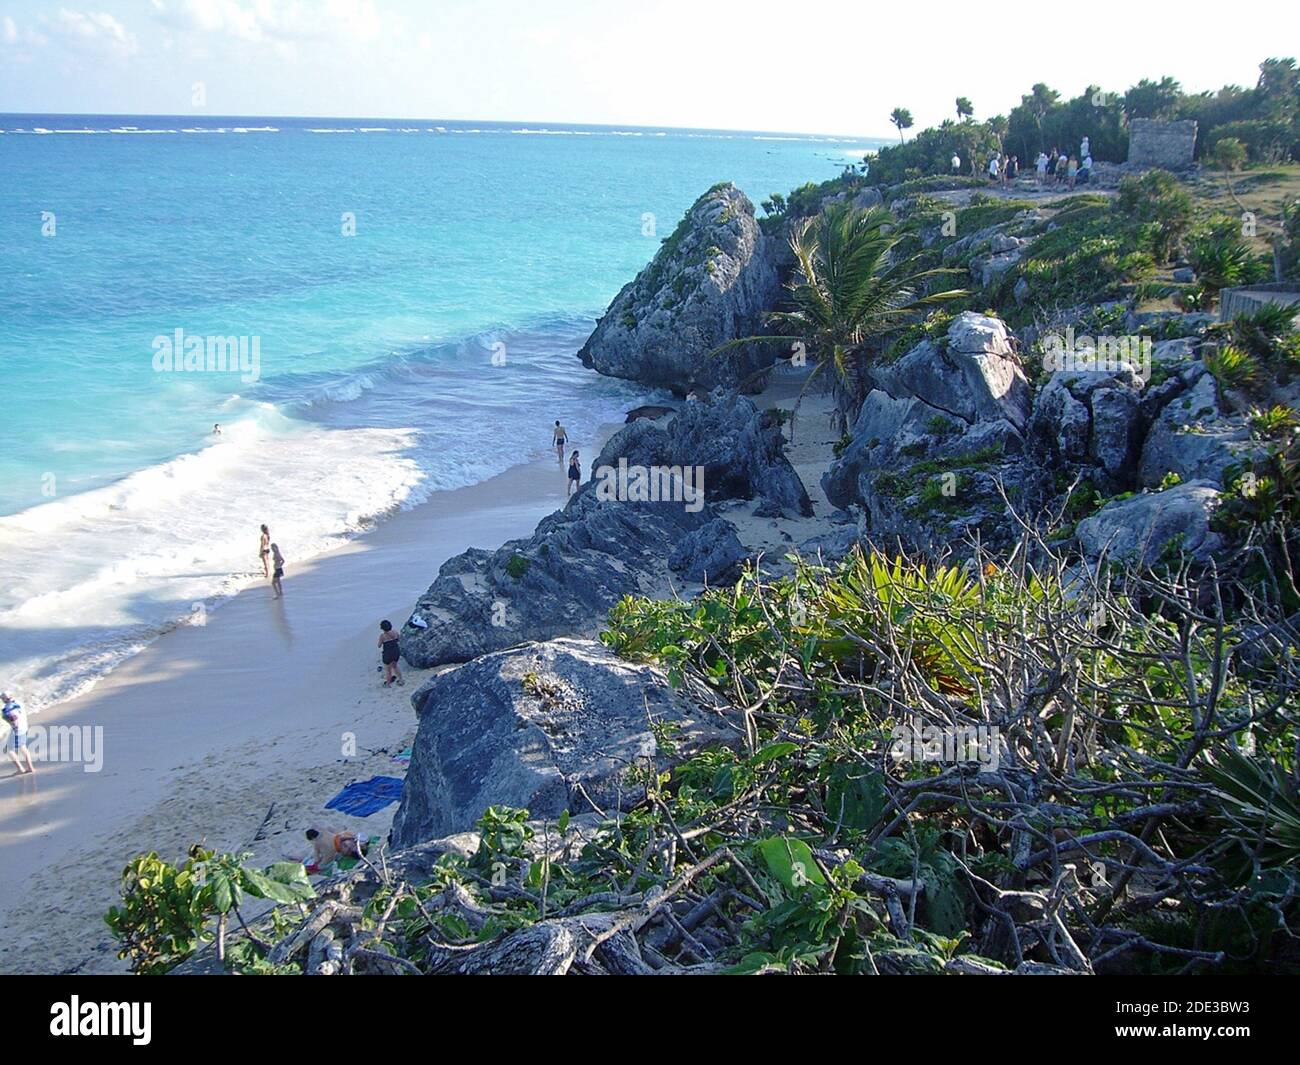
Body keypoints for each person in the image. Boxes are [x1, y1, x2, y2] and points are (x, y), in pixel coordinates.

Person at [2, 693, 34, 775]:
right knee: (23, 747)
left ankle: (20, 769)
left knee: (9, 750)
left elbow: (13, 718)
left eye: (2, 699)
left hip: (17, 730)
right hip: (24, 727)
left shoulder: (8, 708)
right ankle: (30, 767)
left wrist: (12, 724)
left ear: (4, 699)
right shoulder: (19, 703)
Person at [378, 620, 403, 687]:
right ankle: (401, 680)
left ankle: (388, 683)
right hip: (396, 652)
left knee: (388, 669)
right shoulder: (395, 632)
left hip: (388, 654)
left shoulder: (382, 636)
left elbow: (379, 645)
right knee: (395, 666)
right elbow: (399, 639)